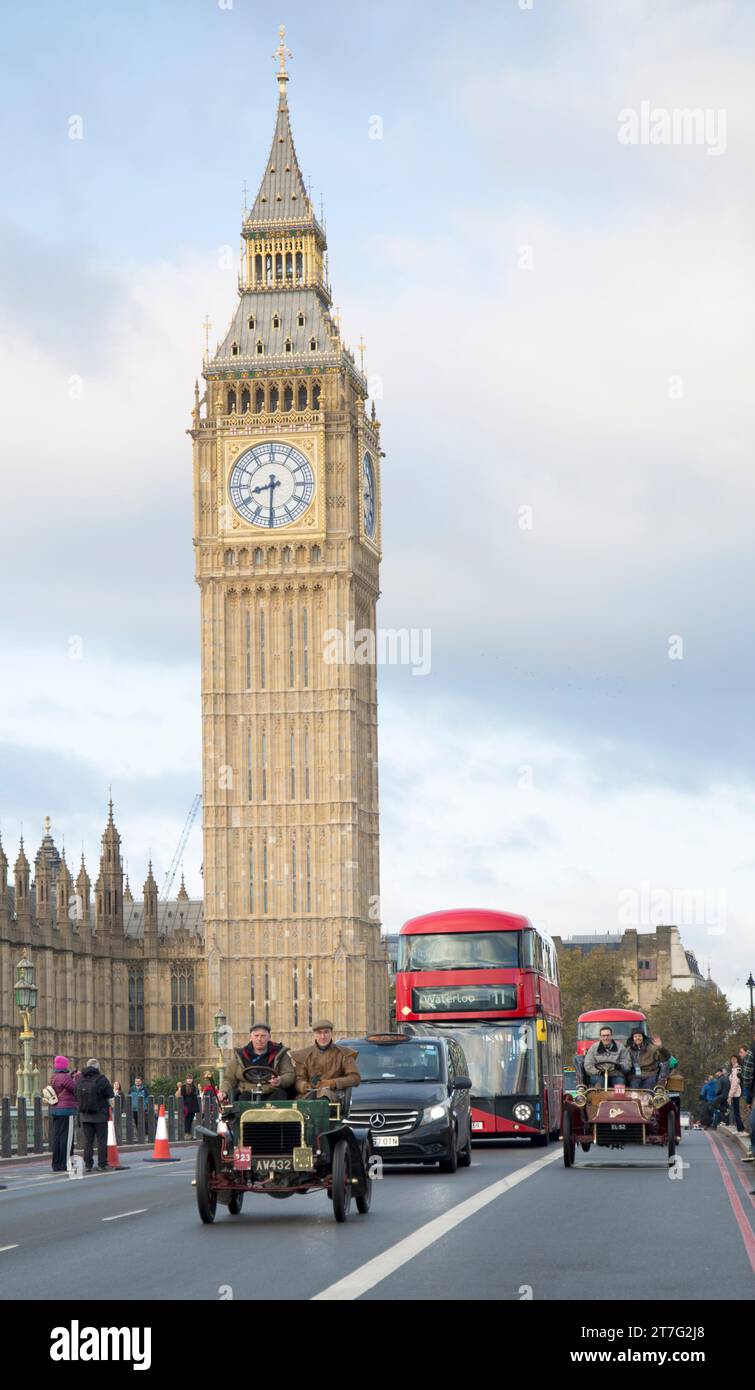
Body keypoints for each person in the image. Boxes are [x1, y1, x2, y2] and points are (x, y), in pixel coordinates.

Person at [224, 1023, 296, 1100]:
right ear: (250, 1037)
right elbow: (229, 1079)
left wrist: (280, 1080)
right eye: (256, 1036)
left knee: (281, 1095)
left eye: (263, 1036)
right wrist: (223, 1092)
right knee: (243, 1099)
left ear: (269, 1037)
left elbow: (289, 1074)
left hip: (273, 1091)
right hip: (248, 1092)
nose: (259, 1039)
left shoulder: (280, 1053)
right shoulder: (239, 1056)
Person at [293, 1020, 361, 1102]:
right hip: (308, 1097)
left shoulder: (344, 1054)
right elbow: (298, 1079)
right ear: (314, 1035)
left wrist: (333, 1083)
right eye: (319, 1033)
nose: (323, 1036)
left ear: (331, 1033)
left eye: (326, 1032)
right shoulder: (304, 1055)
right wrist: (304, 1086)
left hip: (334, 1097)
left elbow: (355, 1078)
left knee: (324, 1096)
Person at [75, 1058, 114, 1172]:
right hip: (100, 1115)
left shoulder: (80, 1080)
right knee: (102, 1140)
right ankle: (102, 1164)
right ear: (98, 1068)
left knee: (88, 1141)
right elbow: (110, 1096)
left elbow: (75, 1095)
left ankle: (88, 1165)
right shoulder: (102, 1079)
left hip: (85, 1115)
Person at [48, 1055, 80, 1172]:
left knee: (57, 1137)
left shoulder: (53, 1077)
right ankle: (66, 1164)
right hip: (66, 1111)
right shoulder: (65, 1077)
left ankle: (56, 1164)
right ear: (64, 1065)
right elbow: (75, 1088)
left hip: (55, 1110)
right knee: (67, 1138)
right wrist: (76, 1077)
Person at [741, 1033, 754, 1163]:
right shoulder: (751, 1052)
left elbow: (746, 1075)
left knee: (753, 1122)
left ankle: (753, 1149)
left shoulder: (751, 1052)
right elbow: (746, 1075)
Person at [727, 1054, 744, 1132]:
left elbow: (734, 1084)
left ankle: (740, 1129)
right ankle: (740, 1129)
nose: (732, 1060)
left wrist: (730, 1096)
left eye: (734, 1059)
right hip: (735, 1093)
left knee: (737, 1112)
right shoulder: (734, 1069)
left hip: (736, 1093)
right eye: (732, 1059)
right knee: (736, 1112)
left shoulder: (737, 1069)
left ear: (737, 1060)